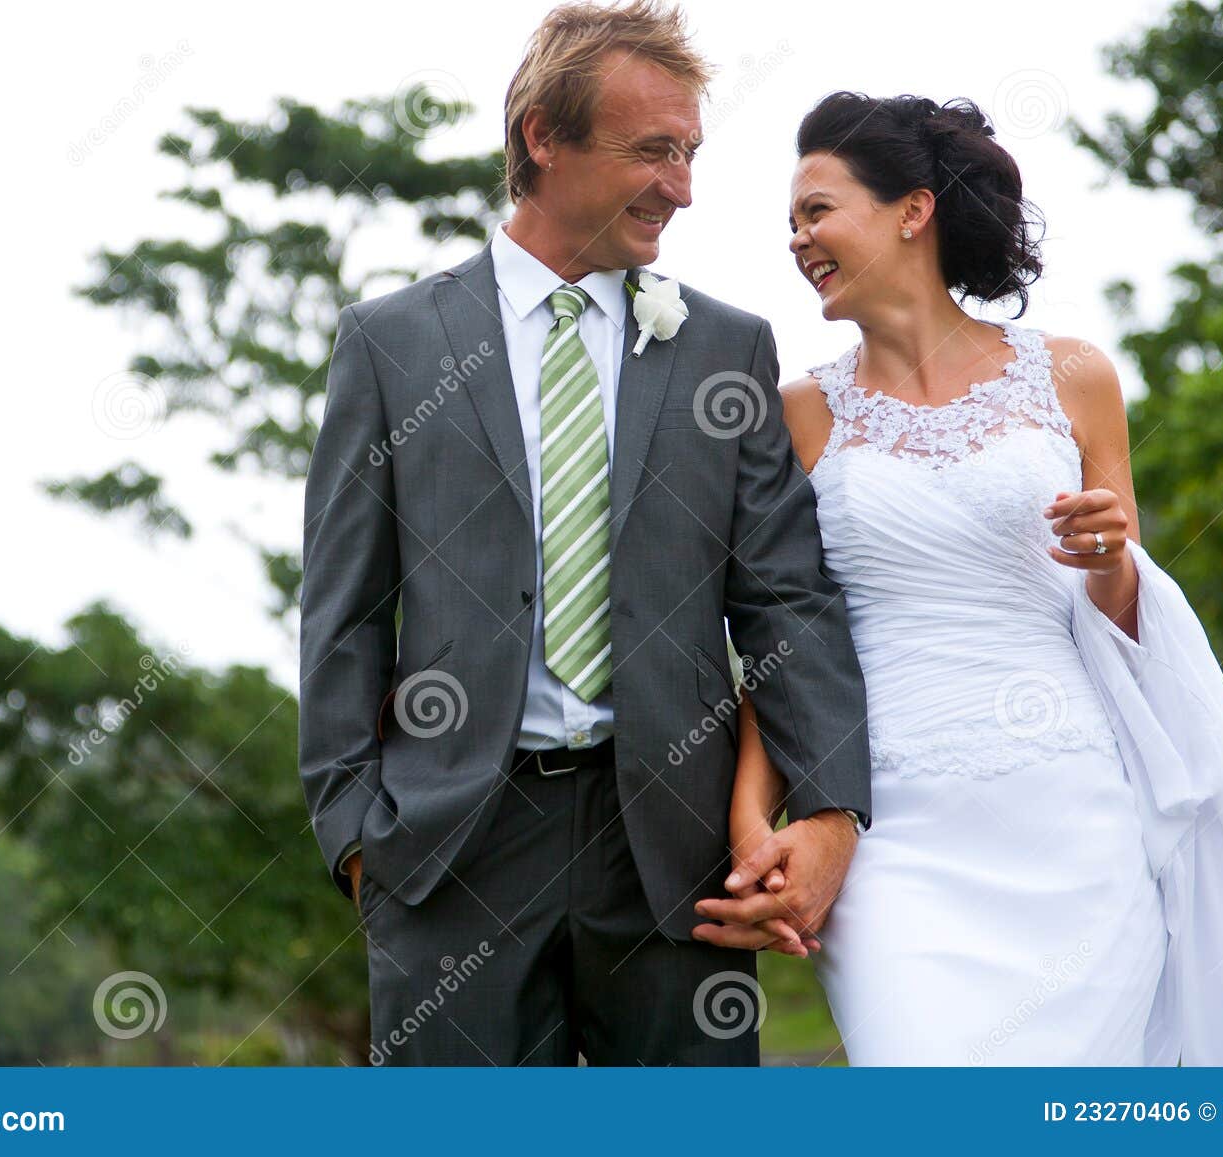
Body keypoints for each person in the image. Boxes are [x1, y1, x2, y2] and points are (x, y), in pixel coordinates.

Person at [694, 91, 1223, 1065]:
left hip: (1071, 814)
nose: (797, 236)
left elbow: (1119, 609)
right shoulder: (797, 413)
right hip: (896, 834)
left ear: (912, 210)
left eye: (817, 209)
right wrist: (753, 814)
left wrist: (1114, 558)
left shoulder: (1075, 376)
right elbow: (787, 632)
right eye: (789, 220)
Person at [298, 2, 870, 1066]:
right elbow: (343, 612)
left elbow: (787, 597)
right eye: (653, 150)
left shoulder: (724, 350)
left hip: (674, 856)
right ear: (542, 138)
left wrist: (831, 803)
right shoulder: (390, 346)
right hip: (446, 851)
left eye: (690, 152)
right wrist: (355, 836)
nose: (682, 187)